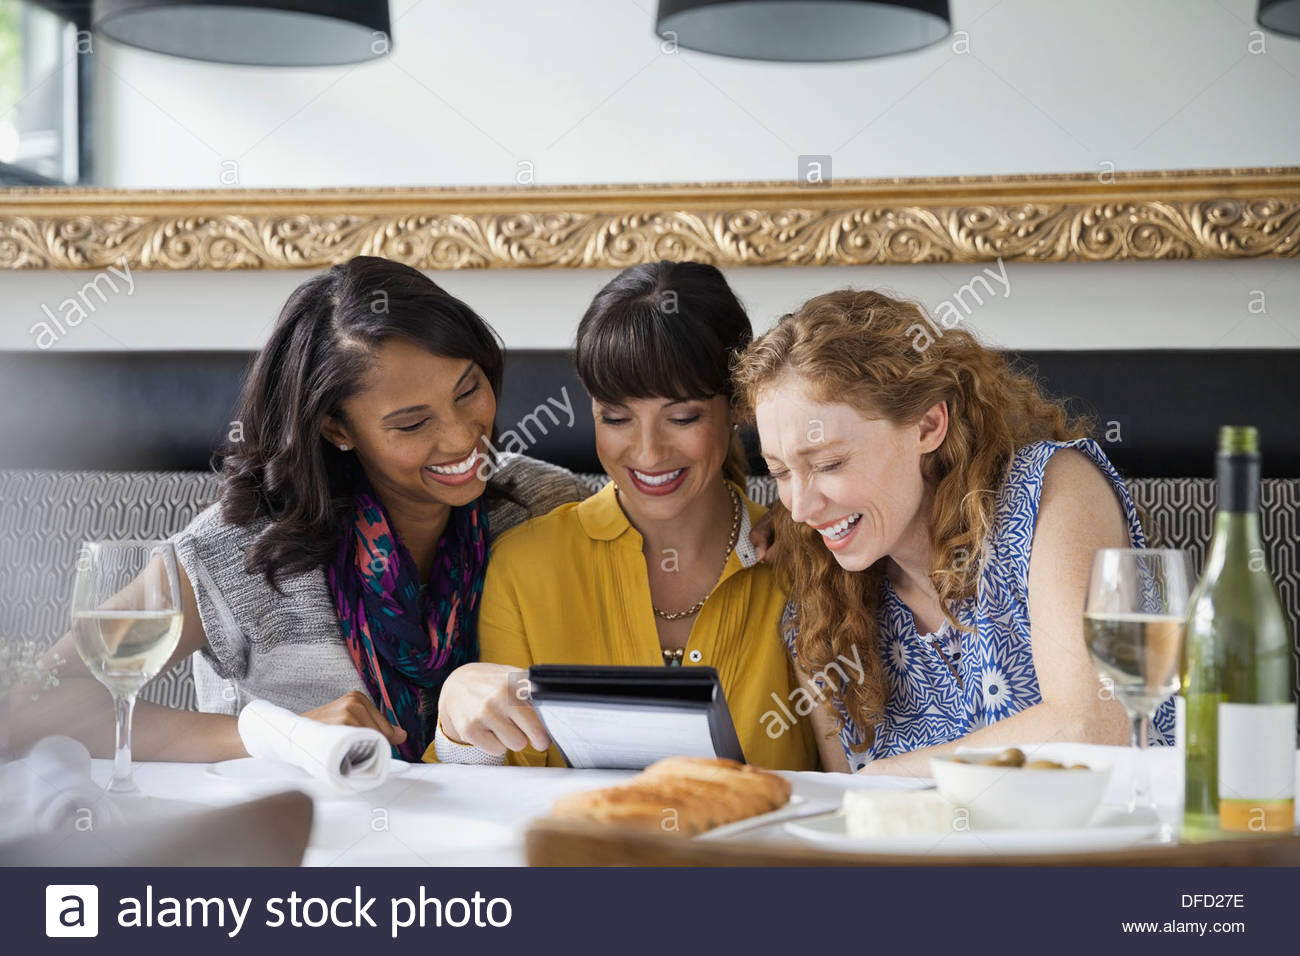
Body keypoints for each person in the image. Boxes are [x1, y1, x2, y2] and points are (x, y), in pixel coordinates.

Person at [12, 256, 588, 762]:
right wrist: (278, 736)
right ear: (336, 428)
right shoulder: (239, 551)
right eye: (413, 423)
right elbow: (41, 703)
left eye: (469, 391)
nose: (464, 438)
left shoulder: (543, 506)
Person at [731, 289, 1171, 775]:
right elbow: (860, 826)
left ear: (927, 425)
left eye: (830, 463)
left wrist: (883, 776)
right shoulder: (819, 608)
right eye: (780, 472)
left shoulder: (1052, 494)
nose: (800, 508)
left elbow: (1094, 726)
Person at [432, 261, 818, 770]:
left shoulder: (806, 563)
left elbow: (857, 782)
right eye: (615, 418)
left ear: (740, 405)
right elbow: (488, 803)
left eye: (682, 417)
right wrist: (457, 725)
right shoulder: (523, 568)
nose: (649, 452)